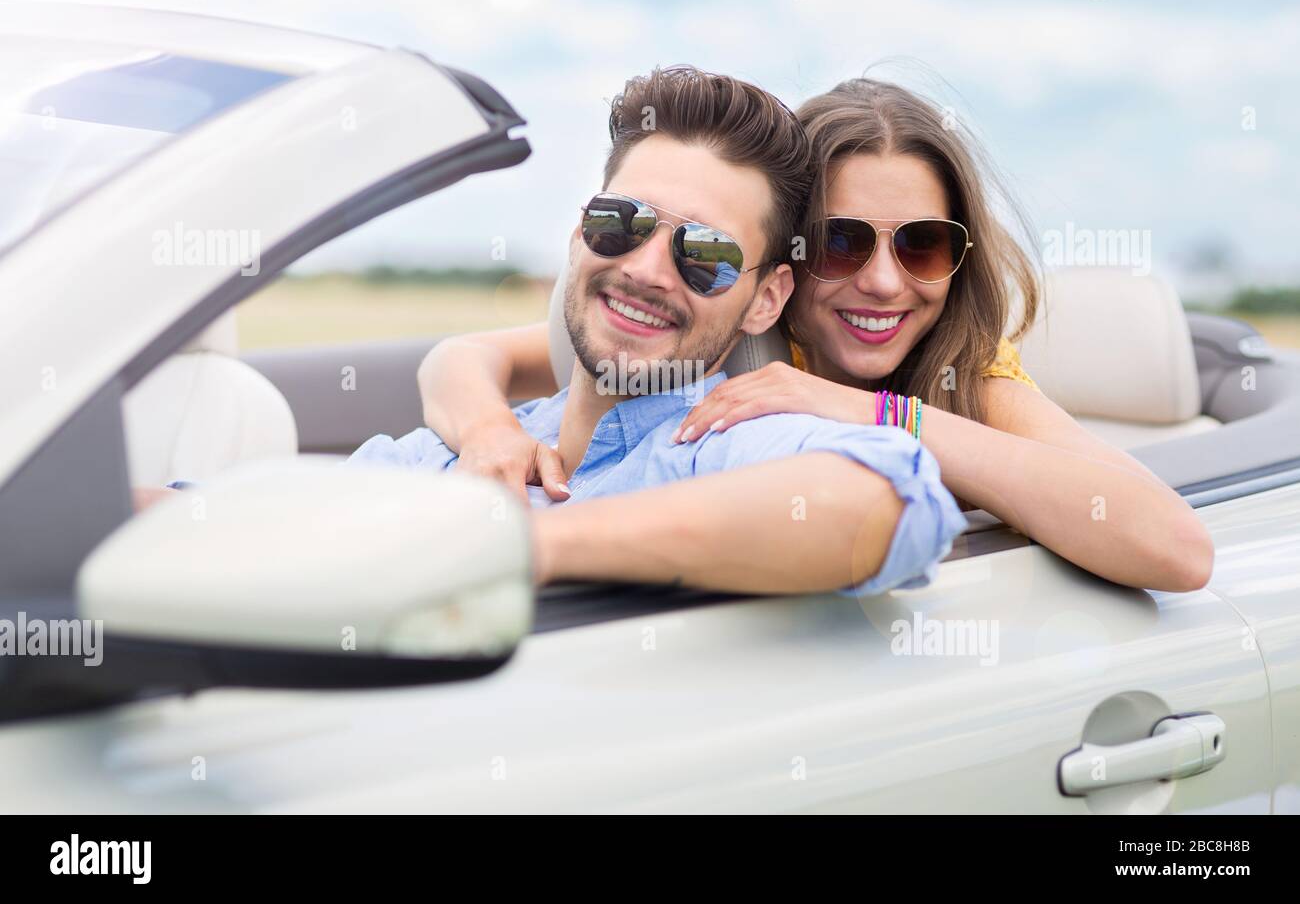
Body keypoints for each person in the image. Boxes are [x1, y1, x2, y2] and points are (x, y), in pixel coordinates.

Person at [416, 73, 1213, 594]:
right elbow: (469, 356)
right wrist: (488, 433)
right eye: (843, 241)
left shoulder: (967, 375)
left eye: (922, 243)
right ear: (778, 274)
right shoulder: (707, 327)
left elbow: (1175, 547)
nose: (883, 280)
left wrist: (868, 411)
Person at [350, 66, 966, 597]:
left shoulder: (728, 451)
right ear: (578, 238)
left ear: (766, 300)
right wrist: (488, 435)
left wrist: (521, 545)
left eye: (706, 252)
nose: (644, 270)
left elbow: (891, 500)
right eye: (621, 222)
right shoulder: (437, 456)